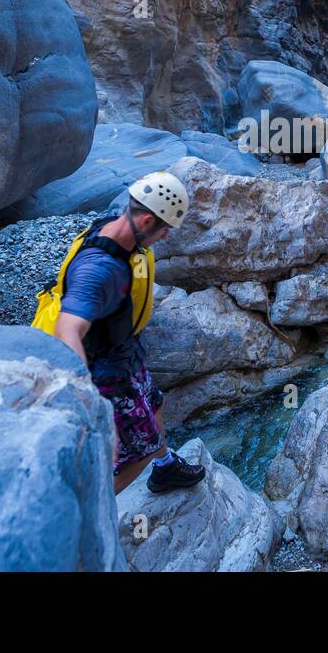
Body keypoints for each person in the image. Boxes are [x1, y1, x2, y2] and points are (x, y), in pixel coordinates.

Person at [52, 171, 205, 494]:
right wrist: (91, 404)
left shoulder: (118, 229)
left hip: (125, 352)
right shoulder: (99, 269)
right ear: (147, 221)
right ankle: (91, 514)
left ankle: (166, 468)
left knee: (155, 403)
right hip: (106, 373)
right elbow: (67, 330)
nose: (165, 238)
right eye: (164, 231)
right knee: (137, 454)